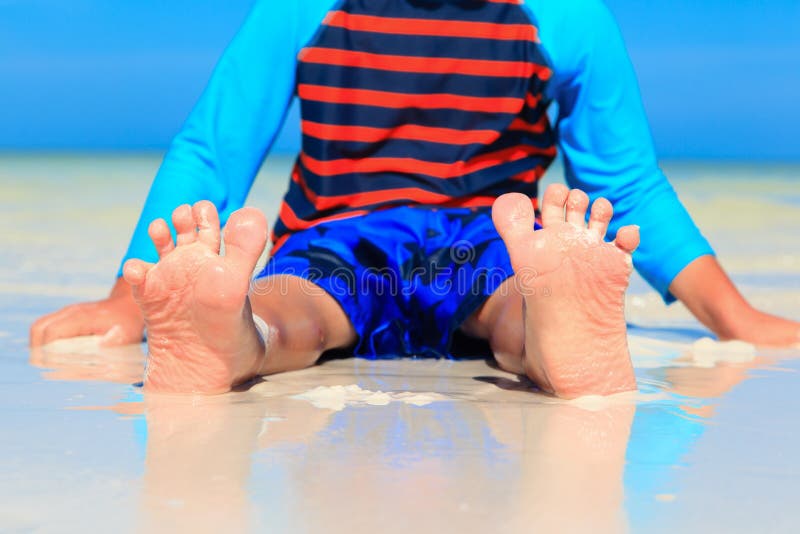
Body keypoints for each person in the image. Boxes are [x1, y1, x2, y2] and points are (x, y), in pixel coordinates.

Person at [29, 0, 799, 397]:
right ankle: (233, 333)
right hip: (359, 241)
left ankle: (553, 334)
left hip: (473, 239)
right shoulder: (303, 6)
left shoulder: (564, 16)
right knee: (294, 300)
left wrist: (740, 319)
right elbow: (213, 151)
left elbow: (628, 185)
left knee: (503, 299)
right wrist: (129, 302)